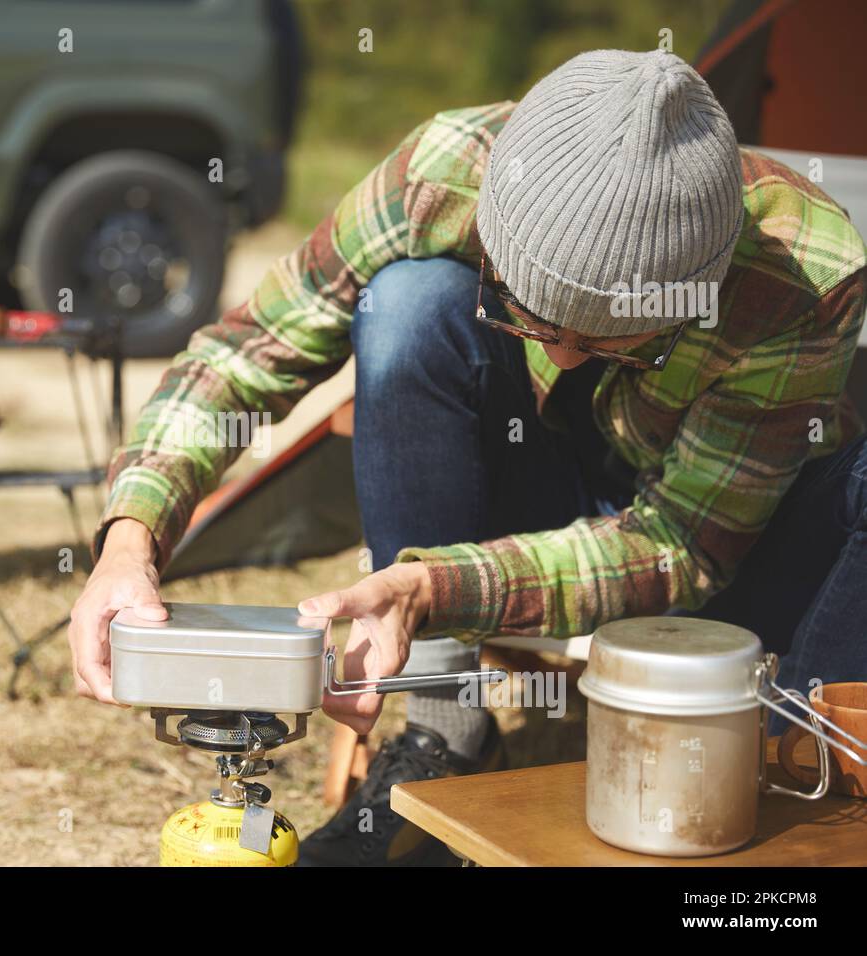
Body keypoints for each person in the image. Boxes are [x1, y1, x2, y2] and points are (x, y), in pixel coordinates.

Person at [68, 49, 867, 866]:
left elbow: (682, 544)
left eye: (611, 340)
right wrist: (131, 536)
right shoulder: (445, 171)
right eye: (529, 315)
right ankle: (444, 728)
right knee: (408, 305)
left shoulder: (800, 276)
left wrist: (431, 586)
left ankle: (792, 772)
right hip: (528, 481)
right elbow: (245, 356)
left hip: (714, 539)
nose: (564, 354)